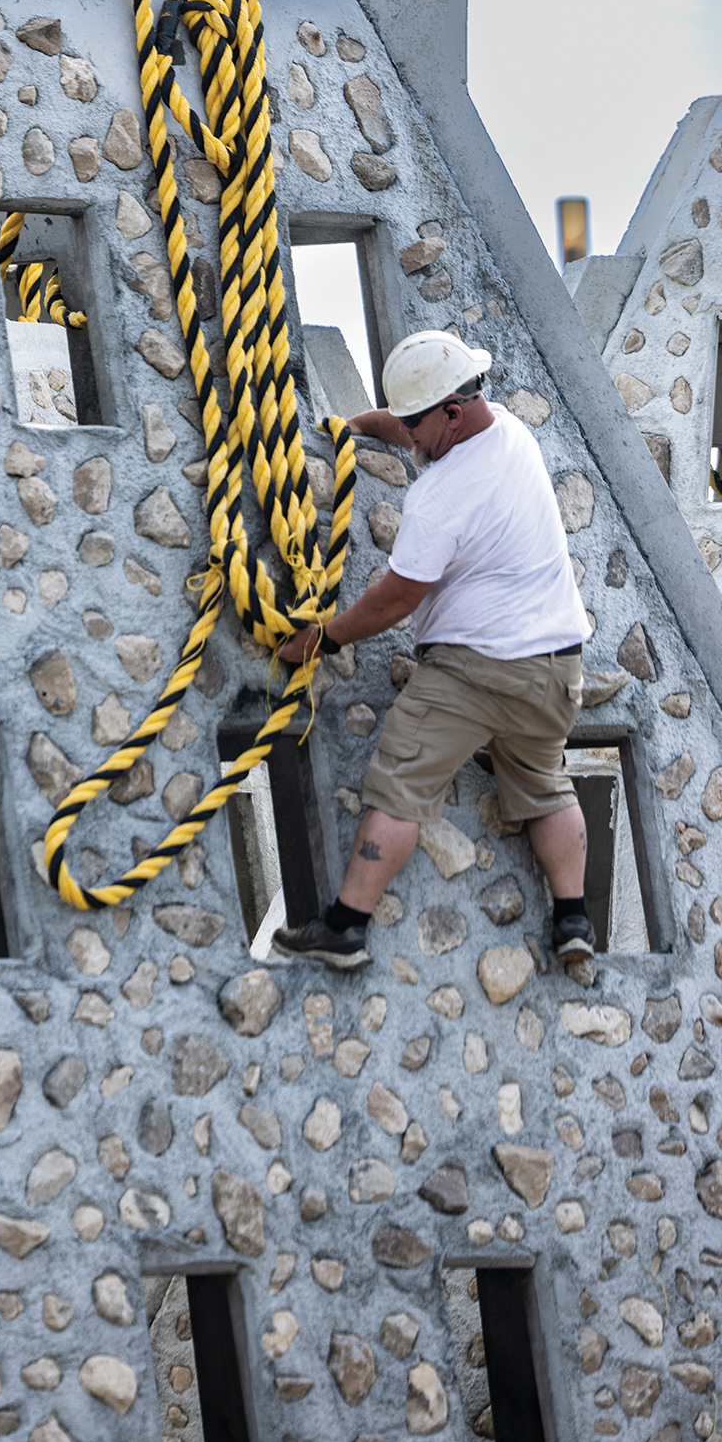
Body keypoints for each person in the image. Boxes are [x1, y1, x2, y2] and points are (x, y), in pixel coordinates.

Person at [274, 329, 593, 973]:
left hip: (473, 673)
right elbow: (419, 425)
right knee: (546, 784)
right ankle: (573, 921)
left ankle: (344, 929)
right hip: (557, 669)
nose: (408, 438)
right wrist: (359, 425)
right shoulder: (507, 430)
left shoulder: (435, 500)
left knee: (399, 788)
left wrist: (323, 638)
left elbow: (395, 600)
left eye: (414, 424)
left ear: (450, 411)